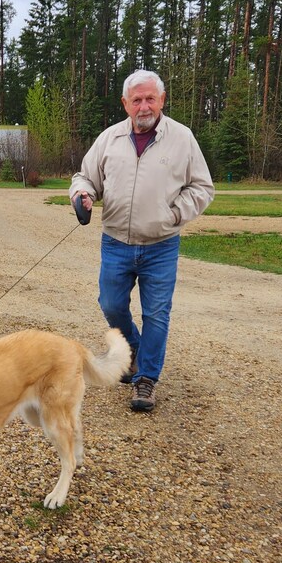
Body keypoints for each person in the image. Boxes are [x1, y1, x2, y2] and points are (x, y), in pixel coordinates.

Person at [69, 69, 215, 412]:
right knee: (111, 304)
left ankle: (146, 378)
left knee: (157, 314)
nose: (144, 106)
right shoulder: (110, 138)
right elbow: (85, 177)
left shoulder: (182, 138)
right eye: (137, 100)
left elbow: (203, 187)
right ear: (125, 104)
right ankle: (133, 351)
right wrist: (83, 195)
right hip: (116, 241)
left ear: (162, 100)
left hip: (161, 245)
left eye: (150, 98)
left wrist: (174, 215)